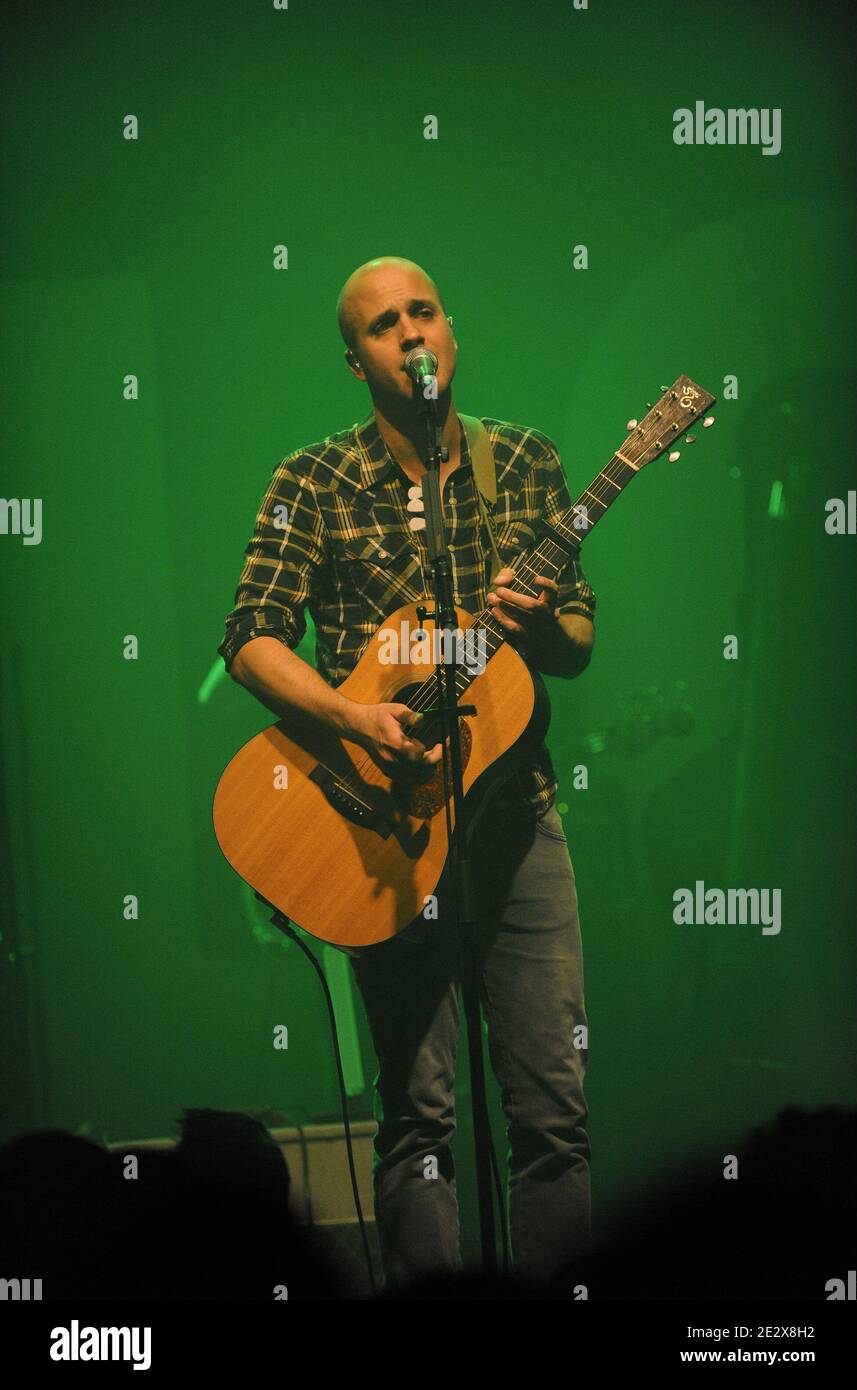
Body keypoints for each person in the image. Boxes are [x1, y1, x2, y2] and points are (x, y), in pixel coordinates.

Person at [217, 256, 597, 1291]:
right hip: (376, 827)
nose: (410, 333)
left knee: (551, 1114)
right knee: (418, 1117)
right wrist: (350, 714)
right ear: (357, 361)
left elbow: (574, 636)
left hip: (515, 817)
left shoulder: (520, 461)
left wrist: (536, 628)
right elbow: (249, 636)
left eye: (423, 312)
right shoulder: (310, 480)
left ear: (451, 330)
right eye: (384, 325)